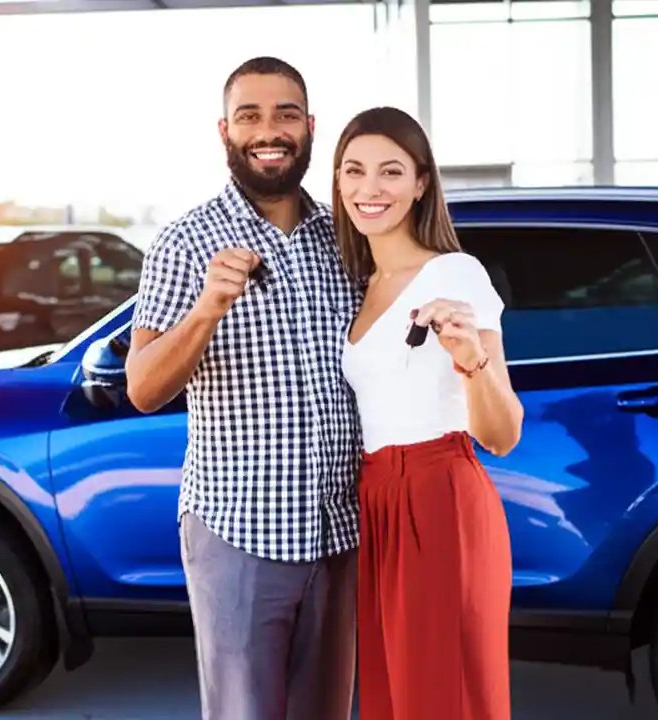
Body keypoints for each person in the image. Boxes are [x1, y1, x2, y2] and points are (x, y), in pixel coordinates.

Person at [125, 56, 360, 720]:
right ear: (225, 130)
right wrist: (205, 309)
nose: (269, 130)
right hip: (241, 533)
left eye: (286, 114)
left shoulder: (345, 240)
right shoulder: (185, 241)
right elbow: (143, 386)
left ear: (310, 126)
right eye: (250, 115)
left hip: (340, 531)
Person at [333, 106, 523, 720]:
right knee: (396, 698)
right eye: (355, 170)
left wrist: (471, 358)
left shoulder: (454, 273)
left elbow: (503, 433)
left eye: (391, 171)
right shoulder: (360, 285)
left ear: (421, 183)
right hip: (378, 501)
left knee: (446, 699)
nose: (371, 188)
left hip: (440, 494)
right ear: (338, 181)